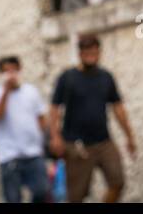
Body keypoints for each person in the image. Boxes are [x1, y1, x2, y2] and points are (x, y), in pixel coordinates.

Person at [49, 34, 136, 202]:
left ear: (99, 52)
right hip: (77, 145)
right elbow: (55, 109)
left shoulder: (106, 77)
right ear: (80, 53)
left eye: (95, 51)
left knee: (118, 181)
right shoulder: (67, 78)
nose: (91, 54)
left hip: (104, 142)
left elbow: (118, 108)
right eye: (87, 51)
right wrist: (55, 137)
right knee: (76, 196)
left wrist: (129, 136)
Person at [0, 56, 50, 203]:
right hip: (8, 157)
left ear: (20, 71)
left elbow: (41, 120)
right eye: (6, 71)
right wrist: (5, 92)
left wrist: (47, 145)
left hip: (34, 154)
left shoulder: (31, 91)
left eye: (13, 70)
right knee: (12, 198)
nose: (11, 74)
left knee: (42, 191)